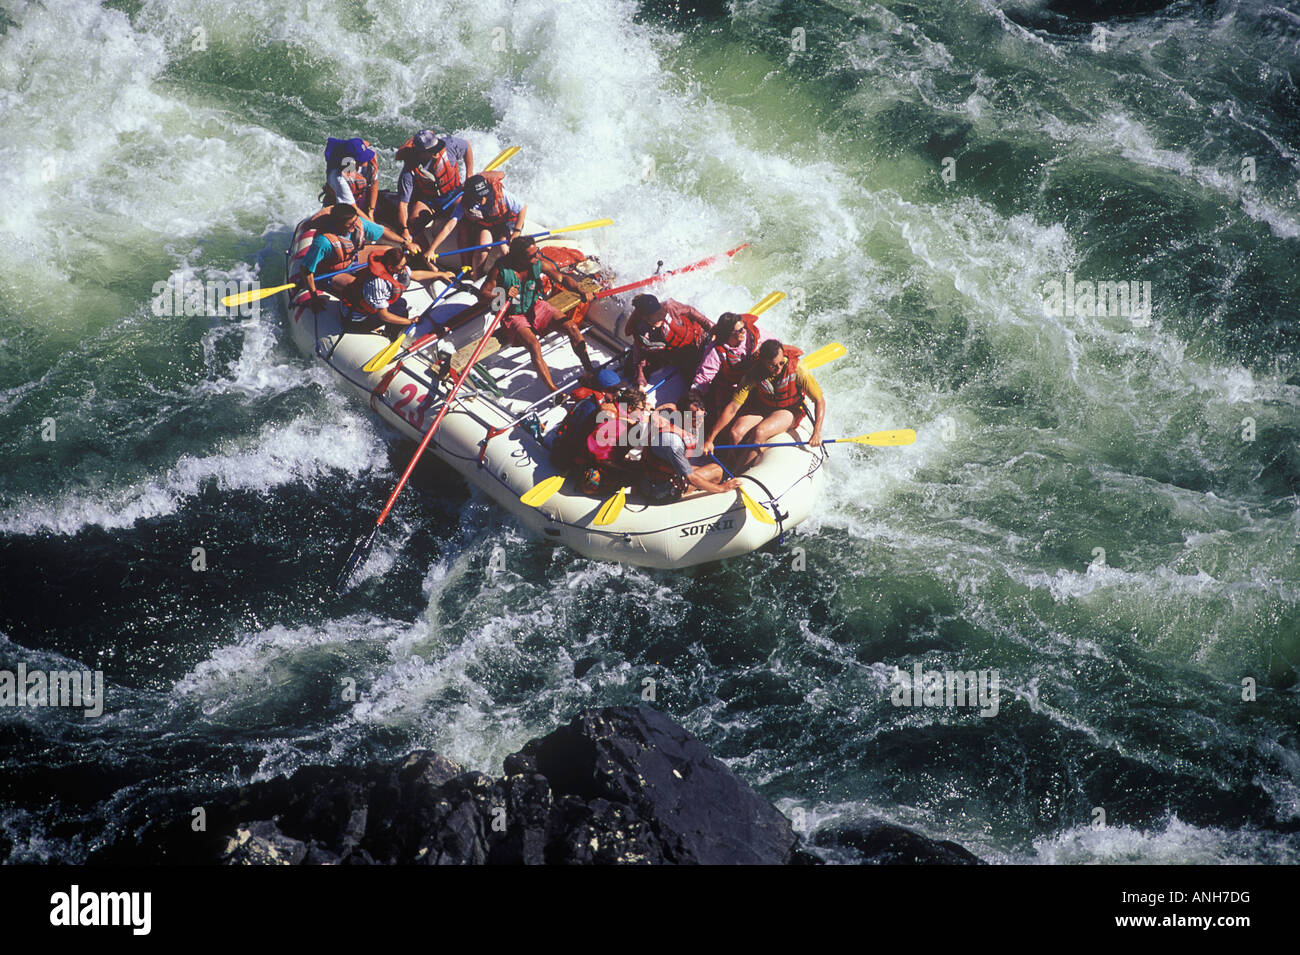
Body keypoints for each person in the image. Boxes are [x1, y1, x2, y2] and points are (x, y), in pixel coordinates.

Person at [468, 236, 595, 393]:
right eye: (532, 255)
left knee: (572, 328)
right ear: (520, 258)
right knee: (534, 345)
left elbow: (561, 278)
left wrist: (580, 291)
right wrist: (502, 295)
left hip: (536, 306)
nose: (537, 257)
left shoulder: (538, 263)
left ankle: (591, 372)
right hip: (513, 315)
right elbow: (483, 295)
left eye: (537, 252)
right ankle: (554, 391)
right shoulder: (499, 270)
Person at [702, 338, 826, 472]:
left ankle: (738, 473)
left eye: (781, 363)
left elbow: (819, 400)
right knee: (735, 433)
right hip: (764, 406)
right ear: (763, 362)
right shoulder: (754, 374)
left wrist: (817, 432)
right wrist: (710, 439)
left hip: (789, 410)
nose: (778, 368)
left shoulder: (798, 369)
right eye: (773, 365)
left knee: (759, 432)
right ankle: (731, 465)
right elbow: (733, 408)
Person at [298, 204, 419, 312]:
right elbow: (306, 270)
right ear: (338, 224)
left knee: (389, 252)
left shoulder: (357, 222)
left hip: (352, 259)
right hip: (332, 272)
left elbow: (382, 232)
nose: (354, 225)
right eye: (350, 224)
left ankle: (391, 281)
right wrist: (314, 297)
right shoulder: (323, 242)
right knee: (358, 289)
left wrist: (405, 242)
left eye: (355, 221)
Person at [628, 400, 742, 501]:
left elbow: (667, 408)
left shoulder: (669, 421)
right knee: (716, 471)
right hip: (659, 491)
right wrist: (723, 488)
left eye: (702, 416)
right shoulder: (672, 442)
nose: (699, 421)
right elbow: (690, 477)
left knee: (712, 467)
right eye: (694, 417)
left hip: (659, 474)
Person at [424, 171, 526, 277]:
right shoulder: (464, 203)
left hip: (505, 223)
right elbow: (449, 226)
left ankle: (515, 276)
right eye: (479, 197)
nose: (483, 200)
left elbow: (522, 208)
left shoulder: (501, 193)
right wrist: (431, 250)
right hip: (488, 225)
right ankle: (477, 277)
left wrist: (516, 232)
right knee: (483, 245)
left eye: (485, 195)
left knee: (504, 247)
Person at [336, 247, 455, 334]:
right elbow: (384, 315)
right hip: (356, 319)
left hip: (371, 306)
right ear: (390, 267)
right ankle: (390, 336)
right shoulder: (376, 283)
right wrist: (410, 322)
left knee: (401, 303)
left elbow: (414, 274)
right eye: (401, 267)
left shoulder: (394, 268)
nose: (403, 270)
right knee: (401, 313)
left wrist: (440, 274)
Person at [393, 130, 474, 255]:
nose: (437, 152)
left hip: (453, 193)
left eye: (437, 148)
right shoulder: (409, 169)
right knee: (414, 220)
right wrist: (405, 230)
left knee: (465, 216)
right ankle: (427, 257)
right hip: (429, 199)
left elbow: (467, 146)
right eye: (432, 150)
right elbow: (403, 204)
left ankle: (466, 260)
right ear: (421, 153)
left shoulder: (449, 145)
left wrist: (469, 174)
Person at [688, 310, 771, 422]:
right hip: (731, 385)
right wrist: (696, 398)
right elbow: (704, 377)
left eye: (744, 327)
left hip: (754, 378)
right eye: (740, 330)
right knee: (722, 415)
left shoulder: (754, 335)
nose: (744, 331)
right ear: (729, 334)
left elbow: (775, 348)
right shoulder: (716, 351)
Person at [625, 294, 713, 391]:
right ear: (645, 318)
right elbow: (639, 358)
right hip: (685, 358)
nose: (661, 315)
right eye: (656, 314)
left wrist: (712, 327)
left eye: (659, 311)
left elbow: (691, 311)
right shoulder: (644, 335)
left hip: (701, 339)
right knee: (696, 386)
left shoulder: (669, 307)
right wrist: (640, 380)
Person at [321, 137, 379, 220]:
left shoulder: (370, 162)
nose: (366, 159)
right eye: (362, 158)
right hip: (341, 206)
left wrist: (371, 210)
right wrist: (372, 225)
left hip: (358, 197)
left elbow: (374, 183)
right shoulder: (338, 177)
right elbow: (352, 208)